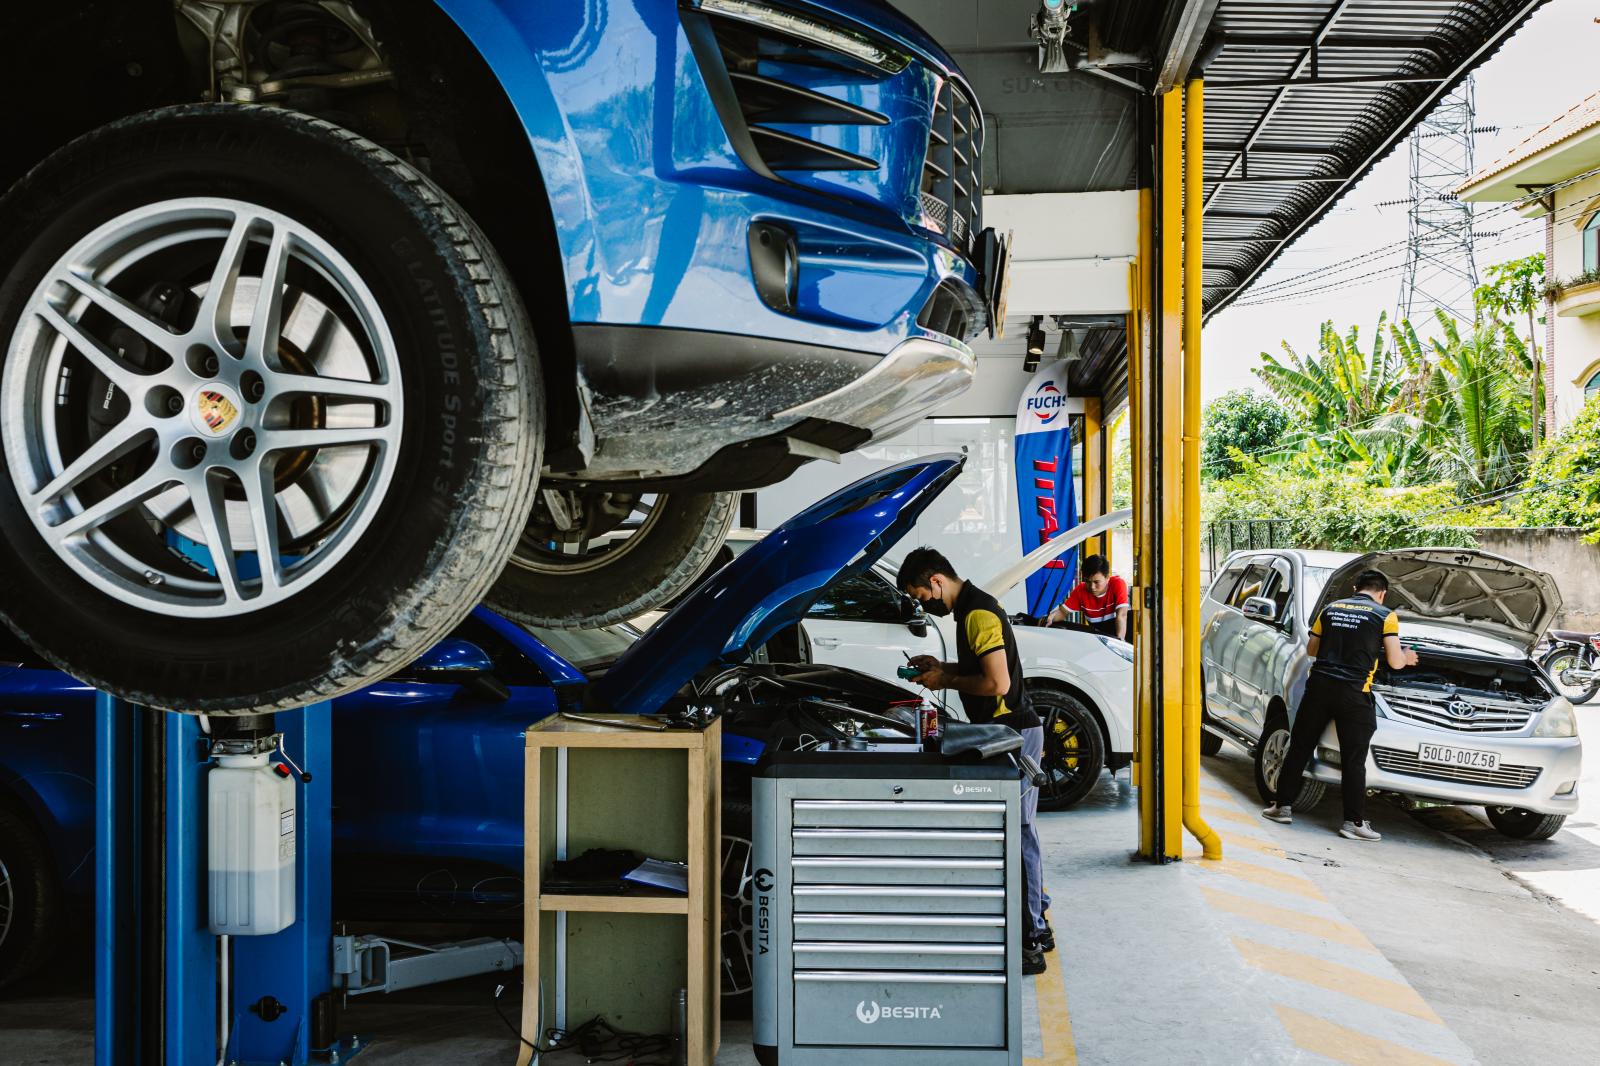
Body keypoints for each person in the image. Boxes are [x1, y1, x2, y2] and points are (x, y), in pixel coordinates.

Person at [896, 547, 1050, 975]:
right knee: (1021, 831)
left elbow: (996, 682)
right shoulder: (970, 613)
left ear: (937, 581)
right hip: (1010, 733)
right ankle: (1039, 917)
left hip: (1014, 734)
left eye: (922, 596)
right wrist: (940, 666)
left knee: (1018, 833)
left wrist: (945, 679)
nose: (924, 605)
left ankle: (1030, 937)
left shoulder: (978, 614)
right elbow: (981, 668)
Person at [1262, 568, 1418, 841]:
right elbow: (1394, 662)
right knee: (1354, 760)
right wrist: (1407, 656)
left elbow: (1312, 650)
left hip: (1319, 688)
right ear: (1381, 593)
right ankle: (1353, 823)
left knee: (1299, 747)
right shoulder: (1385, 615)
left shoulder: (1331, 609)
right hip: (1354, 693)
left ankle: (1281, 807)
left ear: (1356, 588)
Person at [1045, 554, 1130, 641]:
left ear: (1107, 577)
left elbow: (1122, 615)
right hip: (1099, 639)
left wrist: (1121, 641)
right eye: (1087, 582)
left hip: (1122, 638)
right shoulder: (1081, 590)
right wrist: (1049, 618)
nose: (1092, 587)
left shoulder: (1118, 584)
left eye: (1096, 582)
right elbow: (1062, 612)